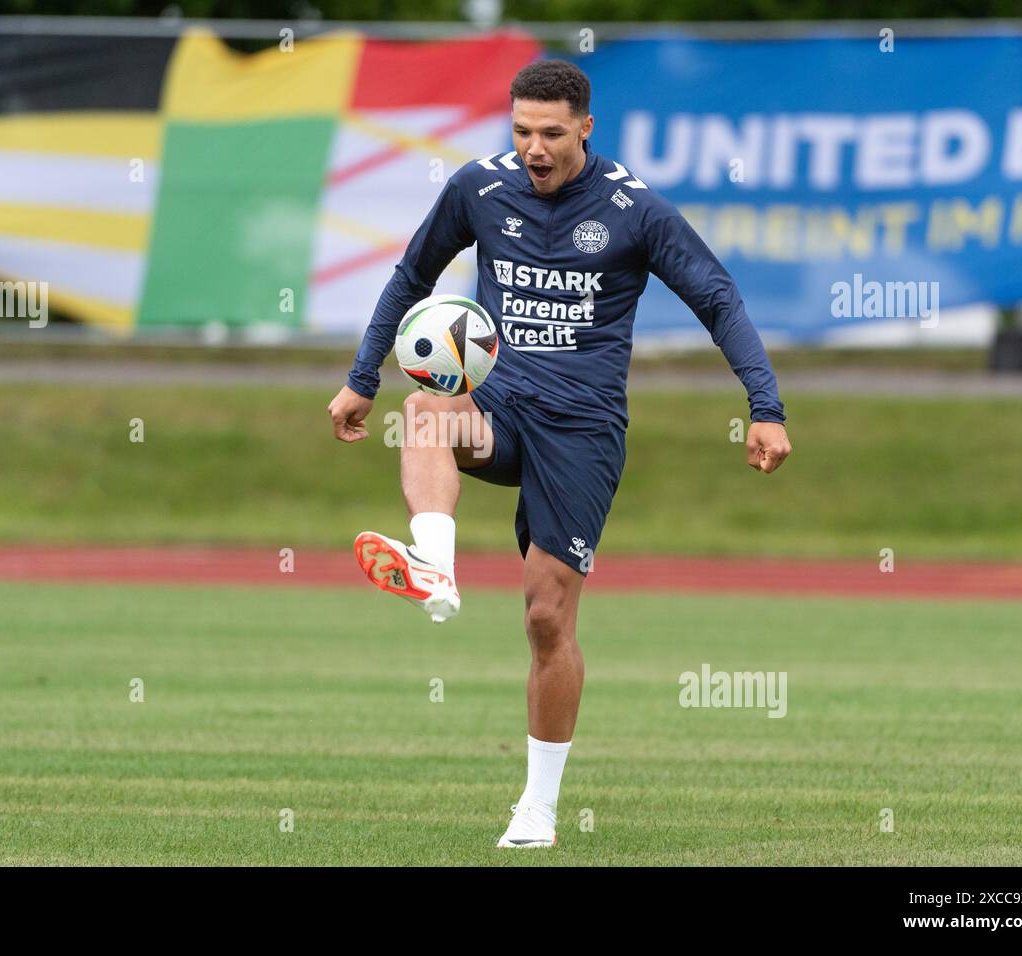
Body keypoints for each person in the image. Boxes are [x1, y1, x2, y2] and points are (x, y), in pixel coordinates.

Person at [326, 59, 792, 848]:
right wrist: (361, 376)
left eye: (550, 133)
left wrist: (765, 408)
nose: (534, 148)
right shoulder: (479, 188)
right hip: (500, 405)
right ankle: (434, 564)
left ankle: (538, 807)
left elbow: (718, 299)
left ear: (585, 128)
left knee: (547, 618)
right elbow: (413, 273)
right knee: (427, 407)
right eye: (521, 131)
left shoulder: (634, 210)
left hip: (582, 430)